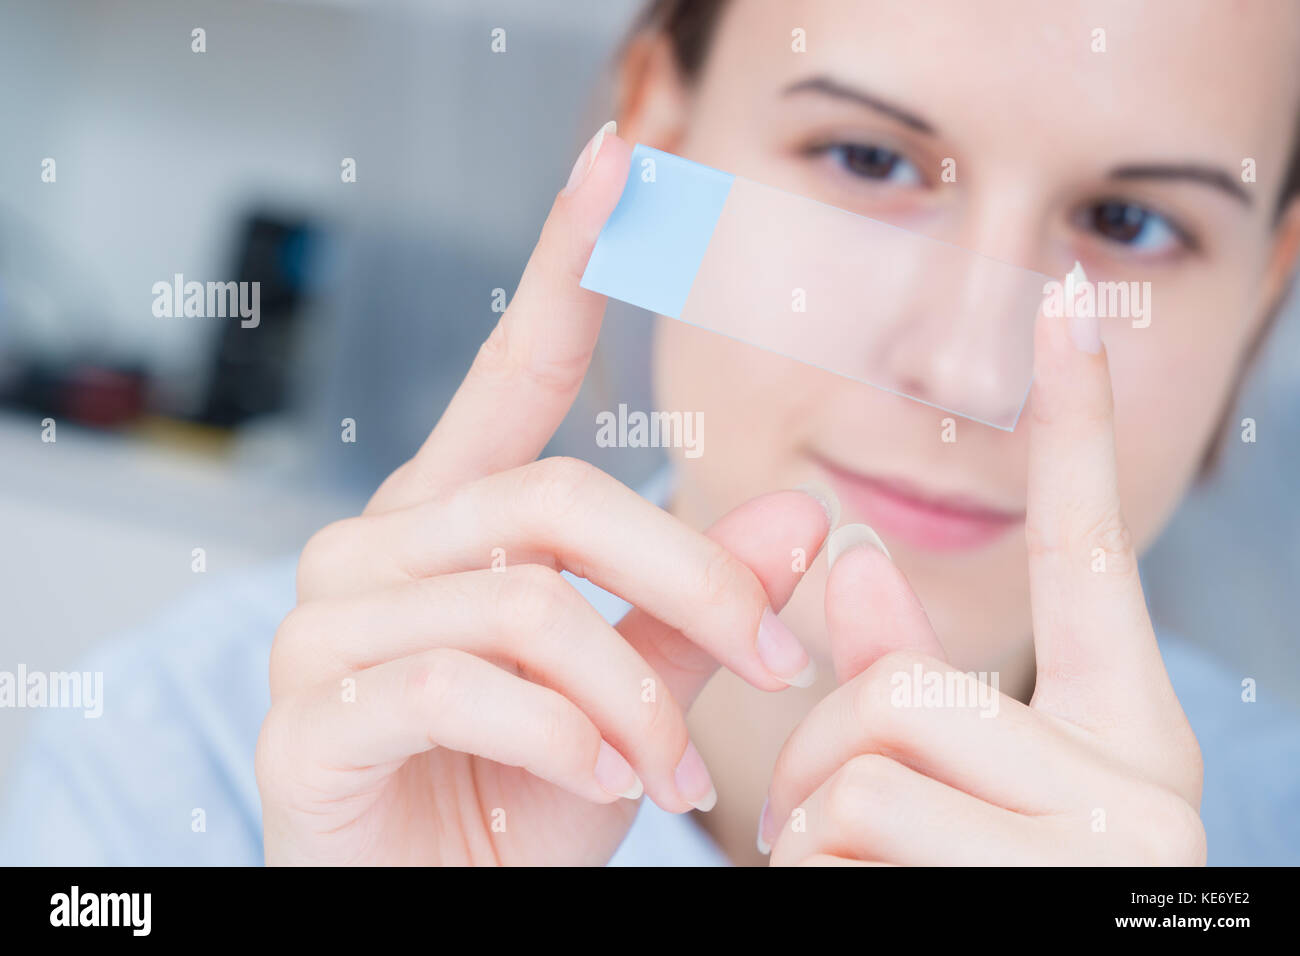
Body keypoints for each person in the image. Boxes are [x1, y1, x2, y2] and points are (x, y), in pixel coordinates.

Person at [4, 0, 1299, 866]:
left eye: (1132, 227)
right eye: (865, 160)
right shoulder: (176, 755)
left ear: (1265, 294)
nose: (967, 369)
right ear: (654, 147)